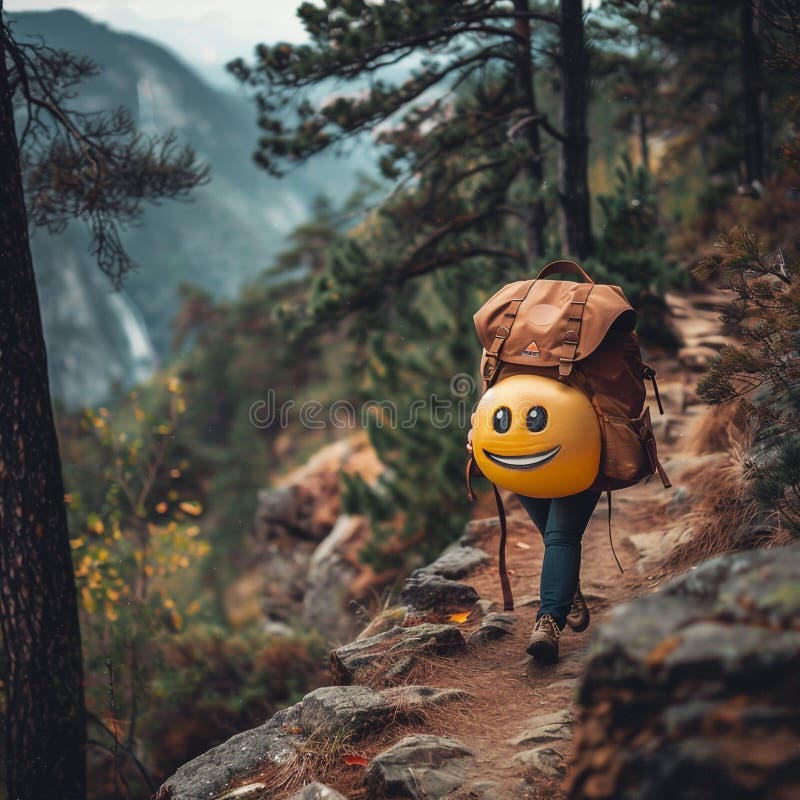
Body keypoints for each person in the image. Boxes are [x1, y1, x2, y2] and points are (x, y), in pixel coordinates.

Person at [467, 428, 599, 664]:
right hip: (522, 455)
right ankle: (565, 586)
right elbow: (492, 396)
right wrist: (479, 428)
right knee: (553, 534)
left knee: (561, 535)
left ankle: (549, 623)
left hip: (582, 449)